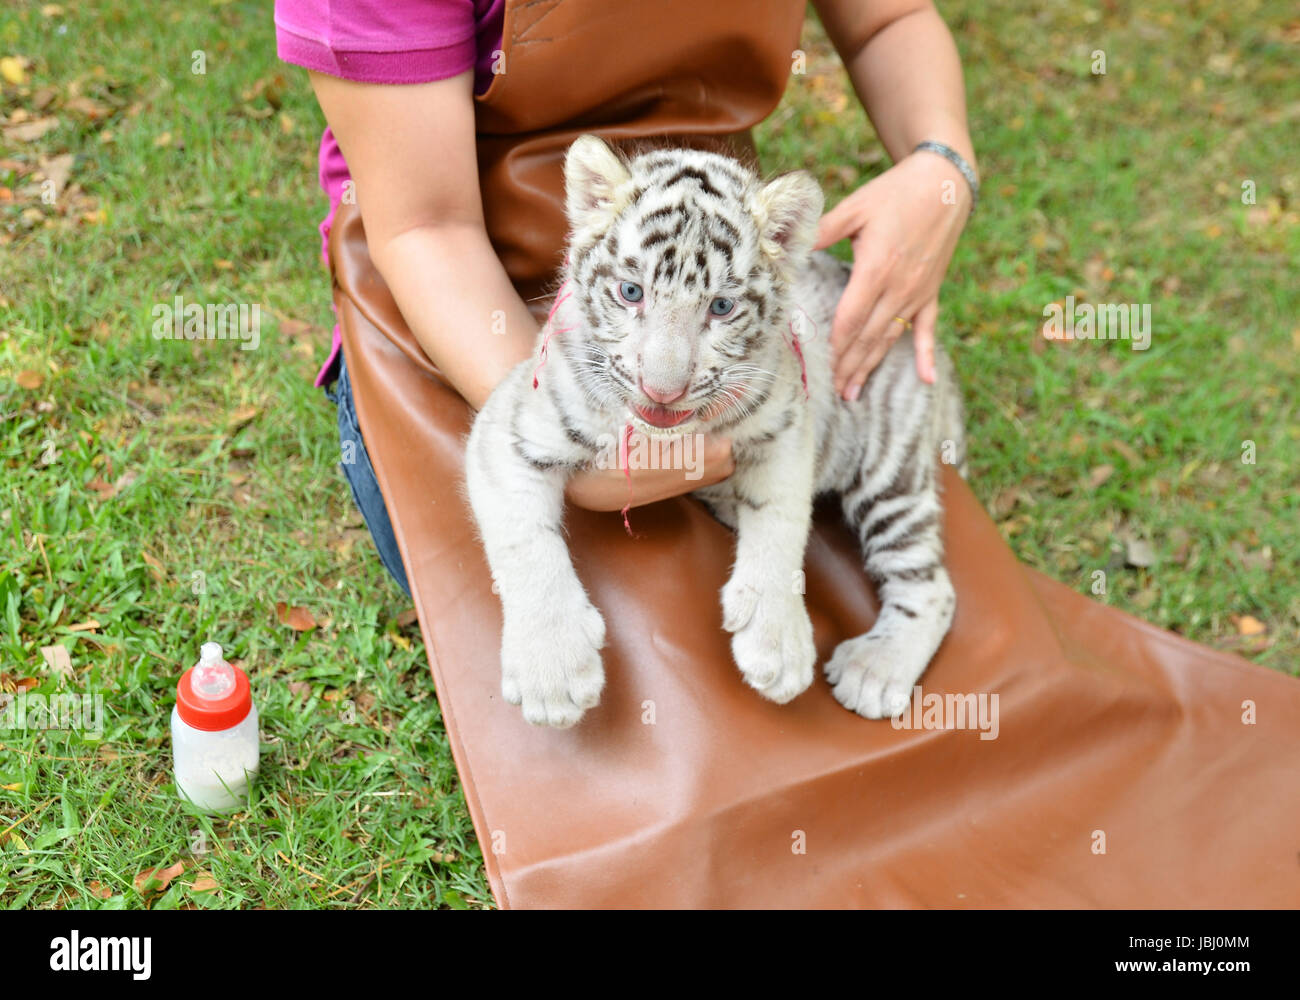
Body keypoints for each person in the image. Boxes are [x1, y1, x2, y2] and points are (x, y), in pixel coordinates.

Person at [275, 0, 978, 595]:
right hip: (466, 312)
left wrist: (940, 163)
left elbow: (890, 18)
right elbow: (428, 227)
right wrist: (555, 427)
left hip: (705, 291)